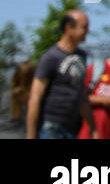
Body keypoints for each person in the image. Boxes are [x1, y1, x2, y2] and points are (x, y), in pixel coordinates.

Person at [27, 10, 96, 139]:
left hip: (71, 128)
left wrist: (92, 126)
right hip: (51, 127)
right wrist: (31, 135)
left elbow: (82, 95)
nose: (88, 31)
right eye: (84, 27)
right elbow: (35, 97)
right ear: (69, 28)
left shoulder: (82, 56)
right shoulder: (51, 57)